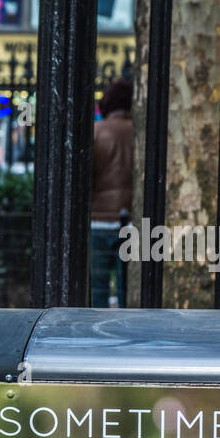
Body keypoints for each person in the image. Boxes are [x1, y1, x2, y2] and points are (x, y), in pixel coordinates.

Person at [90, 78, 133, 306]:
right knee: (128, 289)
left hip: (97, 222)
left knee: (97, 289)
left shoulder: (97, 132)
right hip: (131, 223)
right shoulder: (141, 133)